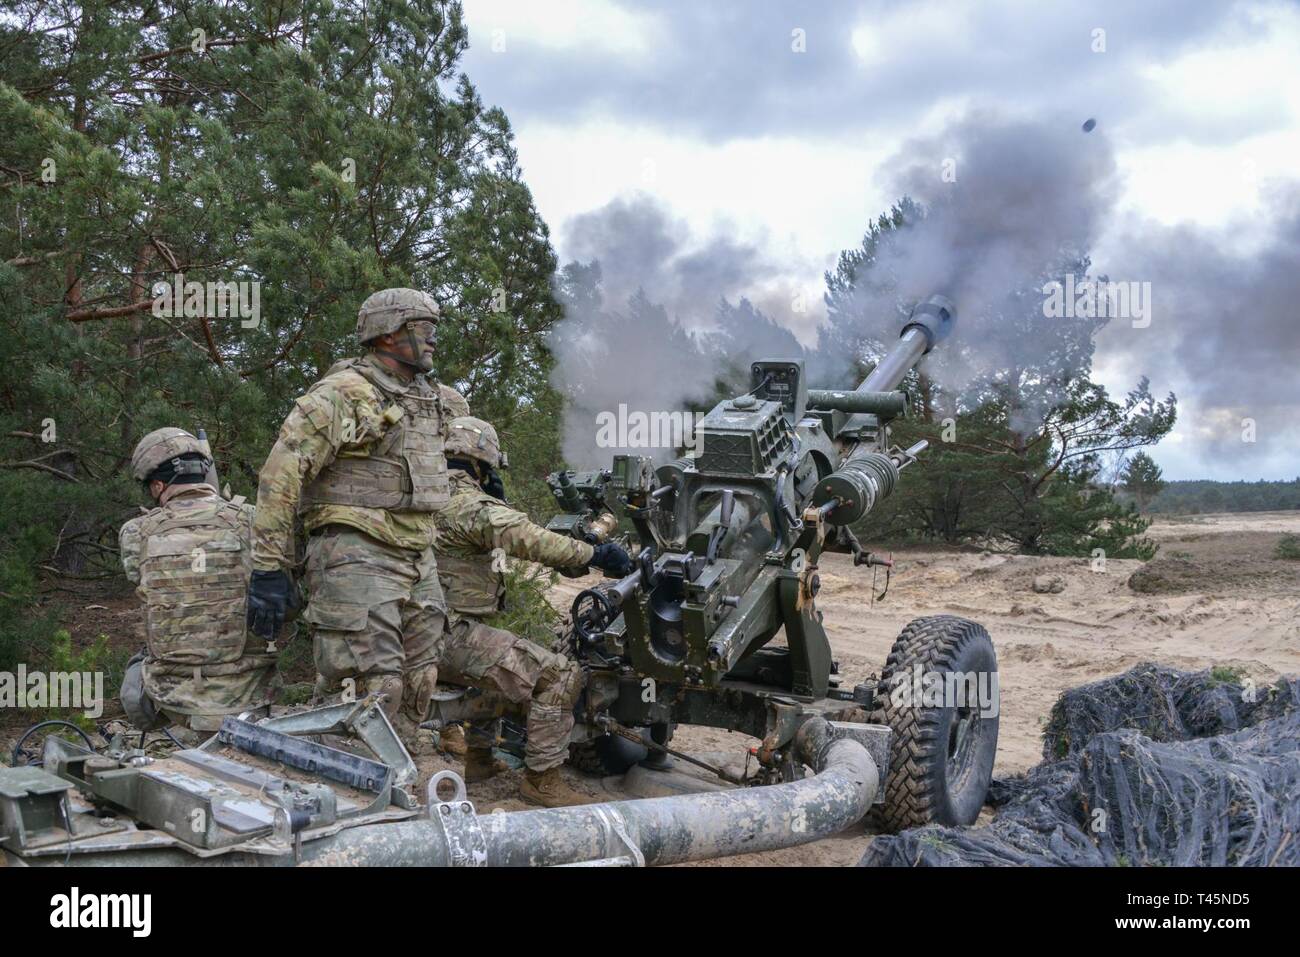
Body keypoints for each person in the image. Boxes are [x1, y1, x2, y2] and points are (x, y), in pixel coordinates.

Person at [247, 287, 467, 739]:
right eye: (423, 329)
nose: (433, 341)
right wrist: (268, 567)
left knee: (422, 675)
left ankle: (397, 772)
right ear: (388, 335)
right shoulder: (343, 395)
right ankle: (338, 774)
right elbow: (280, 478)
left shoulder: (434, 399)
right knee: (372, 684)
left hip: (417, 552)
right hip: (355, 549)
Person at [434, 416, 632, 806]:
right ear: (480, 463)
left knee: (496, 661)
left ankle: (480, 761)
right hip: (443, 635)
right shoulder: (467, 504)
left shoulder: (418, 496)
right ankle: (542, 782)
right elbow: (529, 539)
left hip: (417, 629)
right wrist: (595, 553)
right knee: (558, 675)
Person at [119, 428, 278, 735]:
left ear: (157, 486)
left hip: (171, 695)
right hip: (247, 691)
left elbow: (152, 585)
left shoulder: (135, 533)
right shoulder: (251, 519)